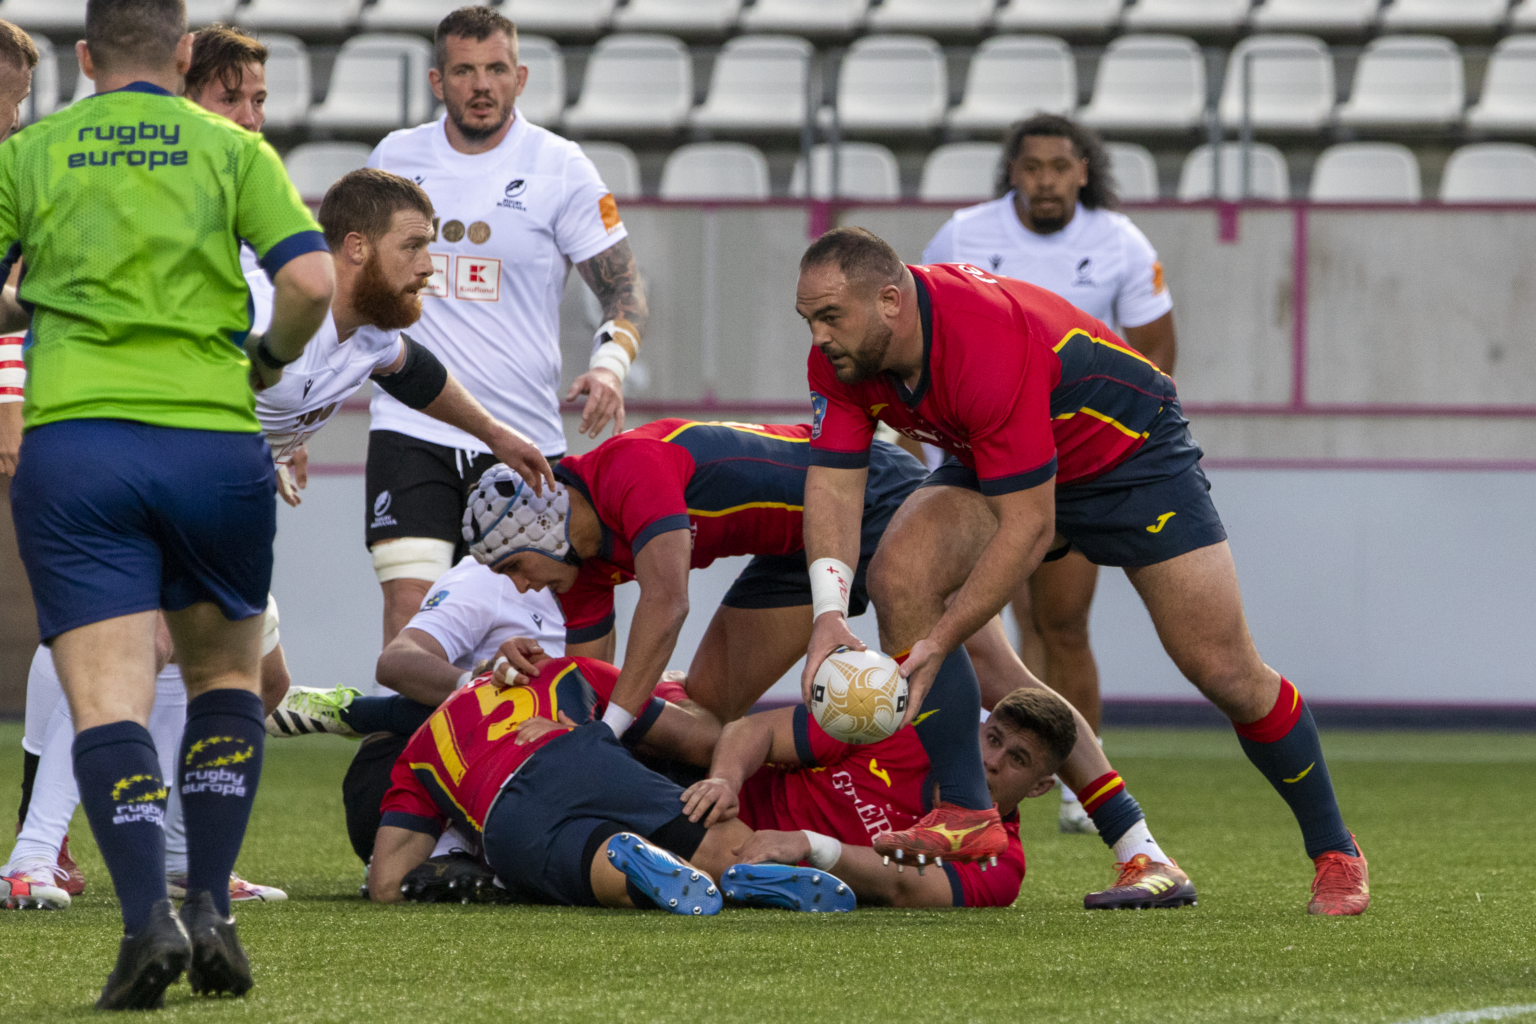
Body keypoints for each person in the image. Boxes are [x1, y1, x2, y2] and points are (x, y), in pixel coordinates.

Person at [796, 226, 1369, 916]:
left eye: (831, 317)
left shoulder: (981, 339)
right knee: (901, 575)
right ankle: (966, 809)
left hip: (1130, 457)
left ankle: (1335, 850)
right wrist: (829, 612)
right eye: (809, 319)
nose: (819, 336)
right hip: (1008, 461)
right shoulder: (846, 357)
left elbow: (1030, 526)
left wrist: (944, 637)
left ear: (890, 301)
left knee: (1224, 671)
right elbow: (832, 484)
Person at [457, 423, 1191, 907]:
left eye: (516, 566)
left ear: (541, 522)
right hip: (796, 549)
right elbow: (602, 689)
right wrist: (565, 721)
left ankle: (1138, 847)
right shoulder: (577, 564)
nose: (520, 587)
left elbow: (670, 601)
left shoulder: (625, 466)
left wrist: (604, 729)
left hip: (871, 494)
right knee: (703, 711)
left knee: (997, 677)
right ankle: (677, 840)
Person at [0, 0, 337, 1005]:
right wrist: (267, 357)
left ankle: (147, 915)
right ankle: (214, 913)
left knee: (108, 700)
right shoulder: (230, 149)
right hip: (213, 442)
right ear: (187, 54)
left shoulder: (33, 153)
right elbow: (314, 279)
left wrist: (43, 301)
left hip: (79, 447)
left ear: (85, 54)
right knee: (230, 679)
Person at [923, 114, 1179, 834]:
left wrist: (1113, 452)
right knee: (975, 630)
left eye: (1059, 166)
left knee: (1062, 625)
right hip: (975, 471)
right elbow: (916, 338)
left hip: (1074, 476)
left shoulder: (1120, 242)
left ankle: (1078, 792)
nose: (1045, 179)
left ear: (1083, 172)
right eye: (1031, 166)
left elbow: (1156, 356)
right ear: (1014, 172)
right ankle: (969, 782)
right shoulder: (964, 235)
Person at [362, 5, 646, 643]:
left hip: (524, 436)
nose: (481, 85)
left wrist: (609, 365)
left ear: (519, 78)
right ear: (438, 81)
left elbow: (625, 288)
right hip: (414, 426)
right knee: (413, 627)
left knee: (526, 633)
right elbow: (349, 284)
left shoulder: (561, 166)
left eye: (495, 69)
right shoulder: (395, 158)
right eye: (464, 70)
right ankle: (416, 744)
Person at [367, 651, 856, 914]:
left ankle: (635, 870)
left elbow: (387, 882)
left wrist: (478, 872)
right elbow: (697, 740)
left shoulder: (418, 753)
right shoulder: (556, 669)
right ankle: (744, 865)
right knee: (725, 846)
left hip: (506, 818)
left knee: (597, 867)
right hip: (577, 752)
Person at [683, 687, 1130, 909]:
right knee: (692, 732)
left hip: (740, 849)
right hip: (710, 794)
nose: (991, 761)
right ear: (975, 728)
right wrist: (724, 780)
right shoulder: (899, 727)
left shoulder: (1002, 864)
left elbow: (904, 886)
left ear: (1039, 787)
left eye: (1017, 759)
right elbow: (753, 729)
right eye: (991, 738)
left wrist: (808, 843)